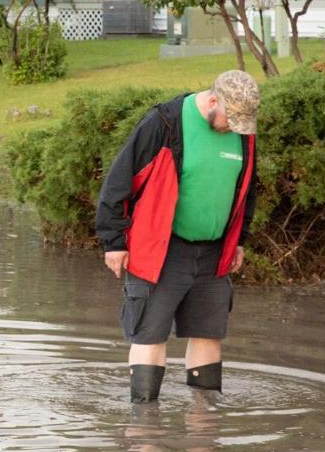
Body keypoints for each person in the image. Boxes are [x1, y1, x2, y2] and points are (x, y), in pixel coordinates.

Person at [94, 70, 260, 403]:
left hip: (214, 254)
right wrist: (114, 242)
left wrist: (239, 239)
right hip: (160, 250)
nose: (235, 128)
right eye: (230, 119)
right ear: (212, 101)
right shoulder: (164, 123)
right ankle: (144, 425)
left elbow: (246, 189)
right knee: (149, 335)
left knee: (208, 335)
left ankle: (205, 424)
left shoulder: (242, 133)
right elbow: (118, 182)